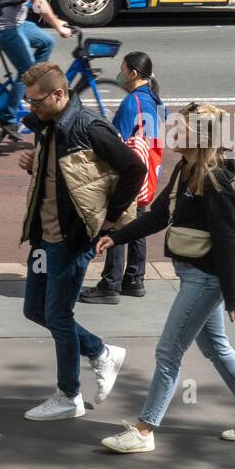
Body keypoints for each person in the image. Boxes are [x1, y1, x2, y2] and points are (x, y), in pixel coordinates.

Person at [98, 102, 235, 452]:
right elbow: (159, 216)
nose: (173, 133)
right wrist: (116, 236)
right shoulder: (186, 169)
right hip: (192, 273)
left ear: (201, 137)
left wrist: (232, 295)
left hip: (205, 279)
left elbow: (226, 239)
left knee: (168, 351)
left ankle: (144, 430)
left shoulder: (215, 180)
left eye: (182, 129)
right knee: (216, 349)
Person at [16, 62, 146, 421]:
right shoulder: (48, 125)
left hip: (72, 239)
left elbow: (135, 169)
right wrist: (34, 163)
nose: (32, 108)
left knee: (58, 315)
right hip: (43, 237)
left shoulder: (88, 126)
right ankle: (101, 352)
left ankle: (68, 395)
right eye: (28, 102)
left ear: (59, 95)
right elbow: (65, 173)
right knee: (35, 310)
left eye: (37, 101)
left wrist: (109, 220)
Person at [80, 52, 165, 304]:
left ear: (133, 73)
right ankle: (134, 279)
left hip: (131, 172)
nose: (120, 75)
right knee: (137, 221)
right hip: (149, 170)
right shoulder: (155, 100)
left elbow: (117, 141)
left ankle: (110, 284)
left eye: (122, 70)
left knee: (118, 221)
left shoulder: (132, 103)